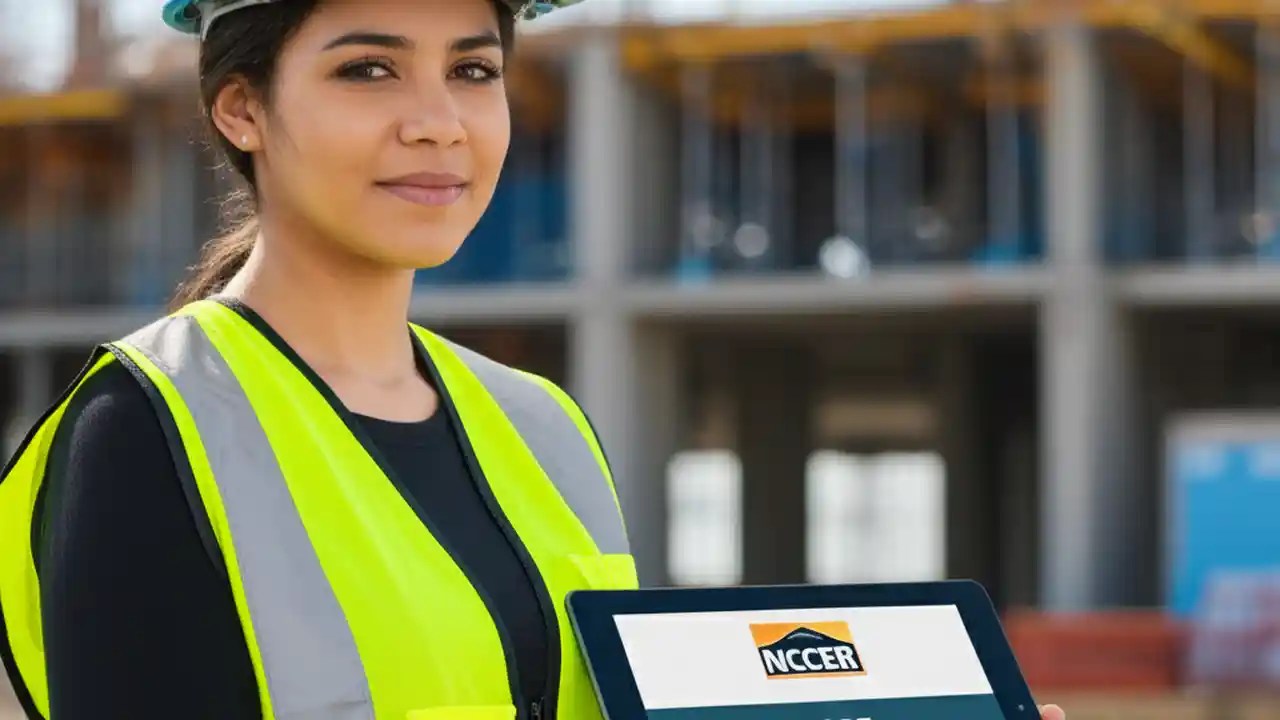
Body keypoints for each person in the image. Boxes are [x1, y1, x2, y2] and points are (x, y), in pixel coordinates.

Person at [0, 1, 1066, 719]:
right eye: (368, 69)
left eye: (473, 70)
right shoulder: (147, 429)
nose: (438, 124)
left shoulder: (538, 426)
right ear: (242, 108)